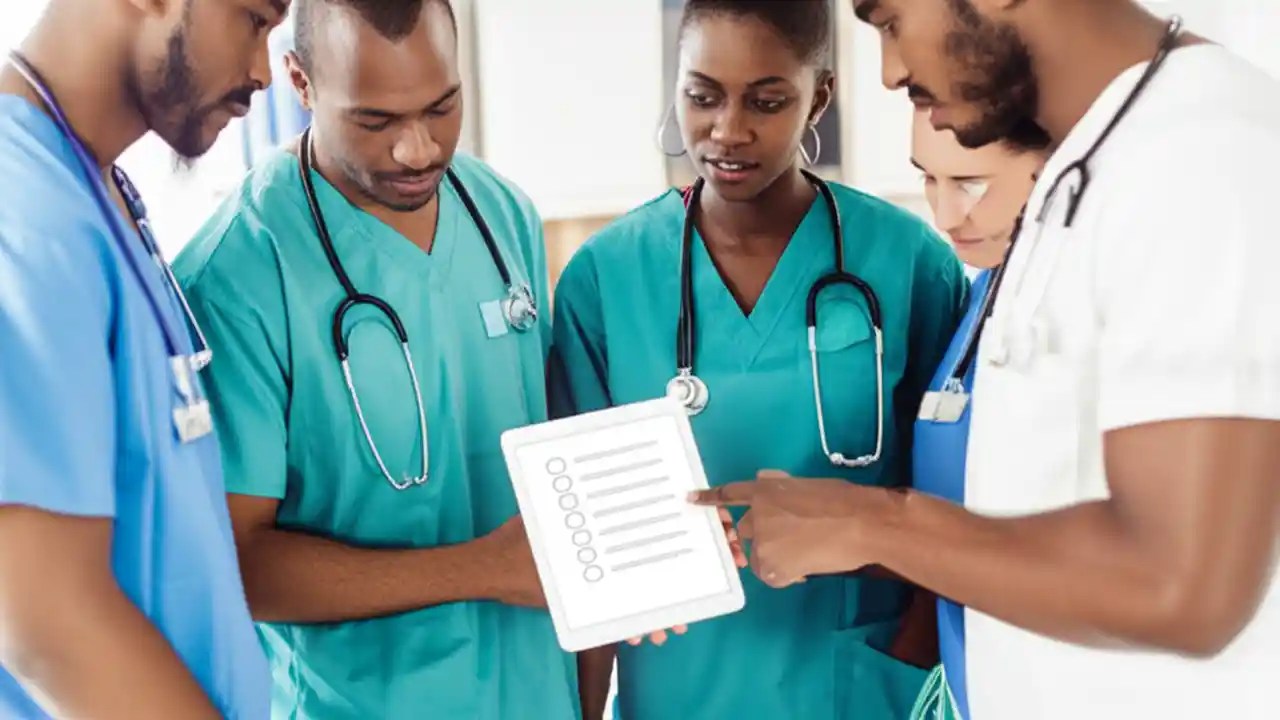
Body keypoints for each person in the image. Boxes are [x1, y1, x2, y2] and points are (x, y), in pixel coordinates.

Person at [695, 1, 1280, 718]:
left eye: (888, 20)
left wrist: (871, 523)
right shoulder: (1091, 170)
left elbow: (1184, 587)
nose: (890, 71)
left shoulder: (1201, 151)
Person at [549, 2, 967, 718]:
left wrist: (910, 653)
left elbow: (955, 497)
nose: (728, 130)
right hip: (676, 685)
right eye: (702, 95)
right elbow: (583, 546)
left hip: (856, 685)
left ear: (819, 98)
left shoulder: (908, 263)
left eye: (767, 101)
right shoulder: (606, 278)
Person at [173, 1, 577, 718]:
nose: (418, 150)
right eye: (375, 121)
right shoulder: (237, 273)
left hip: (537, 695)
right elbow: (237, 564)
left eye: (442, 107)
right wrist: (481, 570)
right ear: (299, 81)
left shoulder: (500, 213)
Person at [0, 0, 286, 718]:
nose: (262, 72)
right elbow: (40, 619)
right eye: (255, 19)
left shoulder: (95, 191)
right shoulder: (22, 211)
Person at [906, 110, 1047, 719]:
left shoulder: (1084, 309)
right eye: (928, 180)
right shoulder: (983, 291)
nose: (943, 215)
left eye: (969, 183)